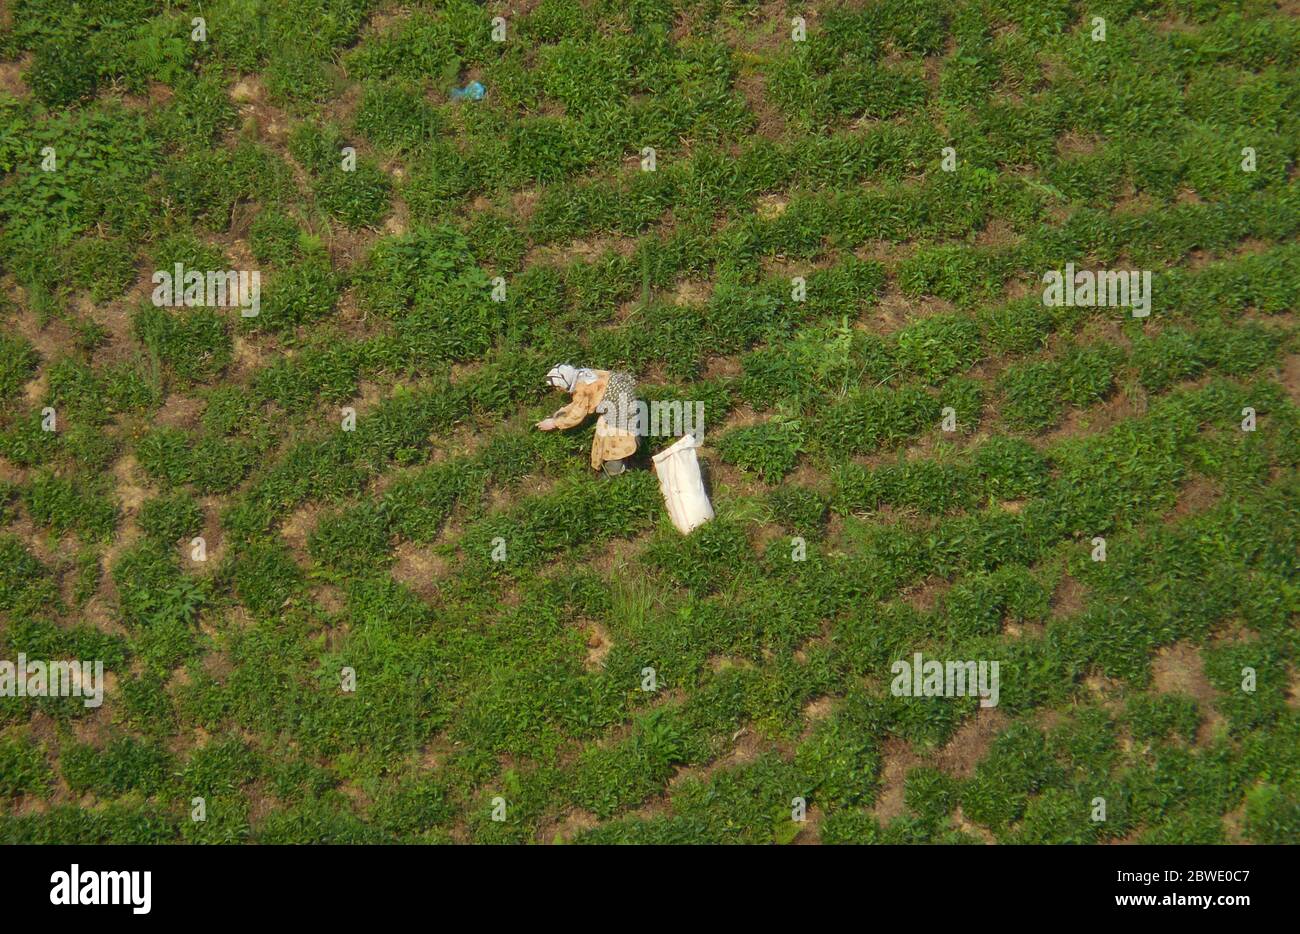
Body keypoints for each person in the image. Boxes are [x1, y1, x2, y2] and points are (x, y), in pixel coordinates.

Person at [535, 364, 639, 475]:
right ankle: (627, 458)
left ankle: (614, 472)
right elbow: (579, 404)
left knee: (612, 444)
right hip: (628, 401)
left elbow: (577, 415)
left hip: (620, 412)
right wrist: (562, 412)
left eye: (558, 386)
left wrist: (554, 423)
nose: (558, 389)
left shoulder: (582, 388)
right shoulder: (585, 374)